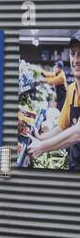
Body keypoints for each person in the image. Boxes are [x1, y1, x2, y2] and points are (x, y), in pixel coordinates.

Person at [27, 31, 80, 169]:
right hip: (75, 162)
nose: (76, 60)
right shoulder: (72, 89)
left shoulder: (61, 76)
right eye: (73, 54)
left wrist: (43, 147)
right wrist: (39, 137)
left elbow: (77, 132)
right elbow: (62, 127)